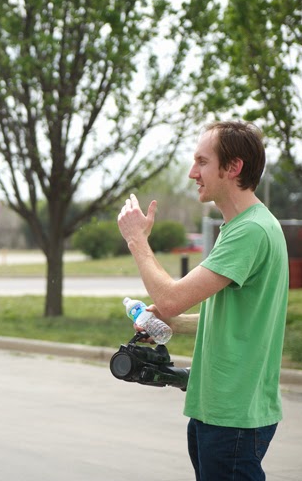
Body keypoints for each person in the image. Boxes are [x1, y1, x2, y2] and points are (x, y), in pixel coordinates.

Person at [116, 120, 288, 481]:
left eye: (202, 162)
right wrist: (172, 324)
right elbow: (242, 317)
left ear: (233, 167)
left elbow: (171, 298)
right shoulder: (245, 226)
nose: (193, 173)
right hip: (218, 409)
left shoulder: (251, 231)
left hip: (232, 414)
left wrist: (136, 241)